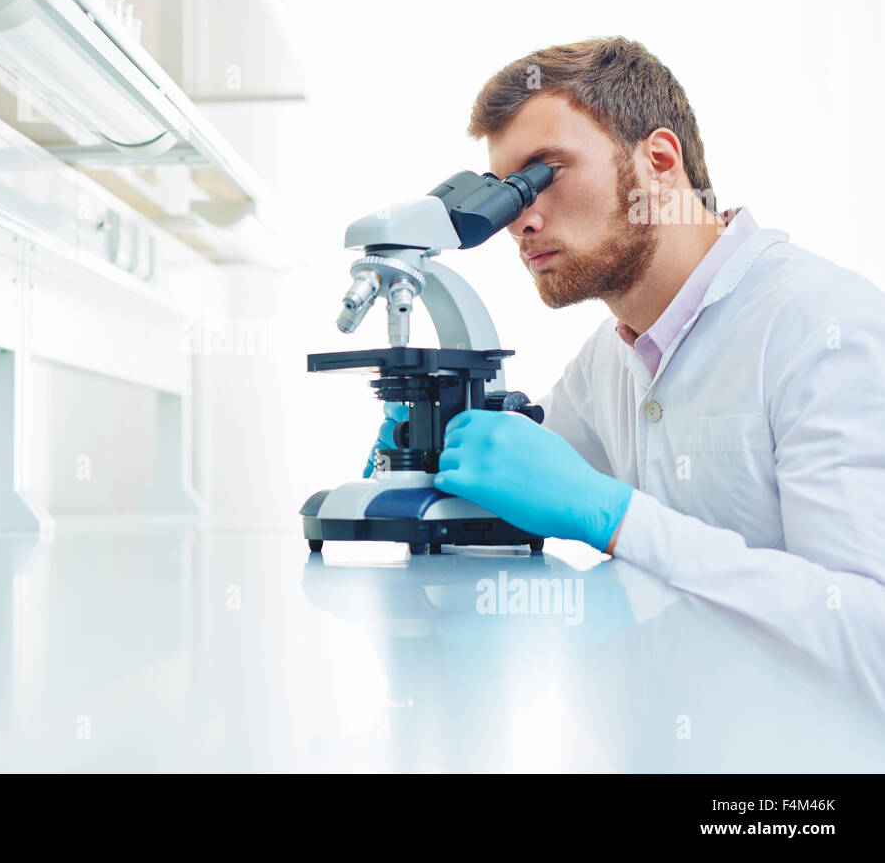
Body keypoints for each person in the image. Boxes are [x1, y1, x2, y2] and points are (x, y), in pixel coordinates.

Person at [376, 37, 885, 707]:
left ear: (659, 162)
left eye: (542, 175)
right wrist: (427, 460)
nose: (518, 221)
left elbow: (867, 639)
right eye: (504, 193)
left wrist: (618, 519)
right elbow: (509, 497)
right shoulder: (611, 358)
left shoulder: (823, 328)